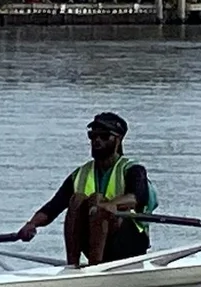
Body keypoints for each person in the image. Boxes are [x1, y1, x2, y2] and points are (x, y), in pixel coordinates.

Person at [17, 112, 154, 267]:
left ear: (118, 139)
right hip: (94, 242)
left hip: (129, 244)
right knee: (77, 200)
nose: (96, 140)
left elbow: (137, 198)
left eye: (103, 136)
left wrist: (110, 205)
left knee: (97, 200)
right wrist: (32, 224)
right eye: (93, 136)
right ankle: (73, 266)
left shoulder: (133, 169)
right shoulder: (80, 174)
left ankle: (94, 267)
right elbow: (53, 207)